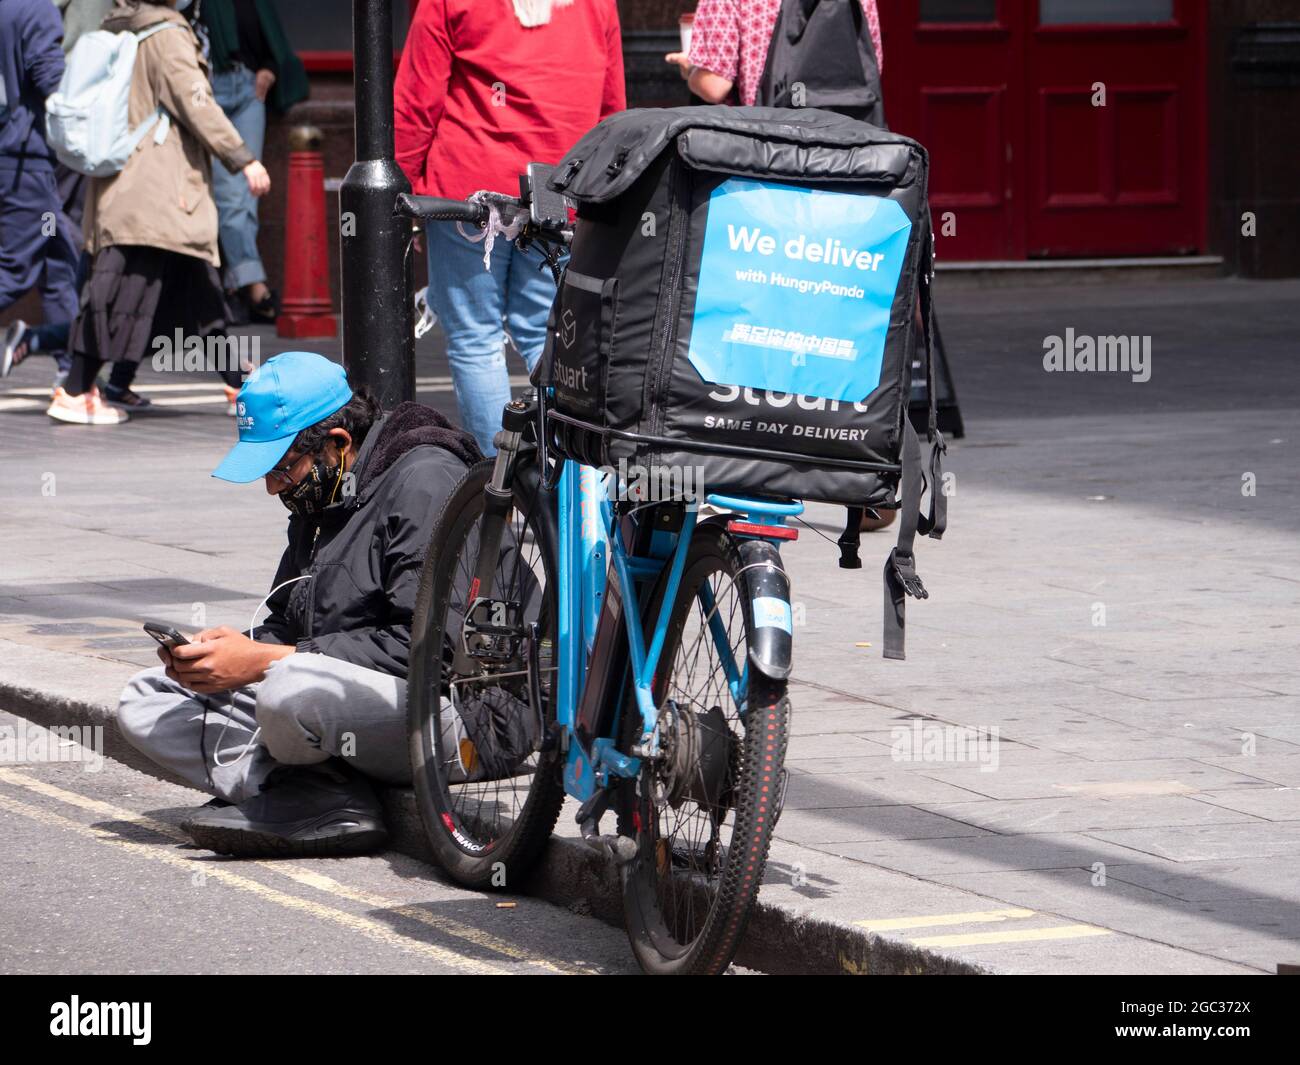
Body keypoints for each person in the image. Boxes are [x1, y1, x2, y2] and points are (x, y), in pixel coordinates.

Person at [117, 351, 482, 857]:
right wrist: (231, 651)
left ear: (337, 443)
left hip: (459, 719)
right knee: (147, 697)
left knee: (289, 689)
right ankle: (313, 792)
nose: (272, 489)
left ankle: (311, 791)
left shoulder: (425, 481)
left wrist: (265, 661)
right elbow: (290, 621)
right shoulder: (322, 491)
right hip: (339, 703)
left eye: (281, 471)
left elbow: (428, 651)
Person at [393, 0, 625, 455]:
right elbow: (611, 102)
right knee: (551, 332)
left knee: (474, 338)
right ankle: (563, 474)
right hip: (560, 183)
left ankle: (503, 481)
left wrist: (405, 192)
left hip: (471, 186)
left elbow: (417, 101)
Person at [51, 0, 271, 425]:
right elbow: (198, 105)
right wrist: (243, 158)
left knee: (200, 292)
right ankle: (75, 391)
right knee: (119, 294)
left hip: (140, 190)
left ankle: (242, 385)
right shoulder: (166, 34)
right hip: (155, 192)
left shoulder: (123, 26)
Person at [200, 0, 306, 323]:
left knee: (248, 194)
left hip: (248, 91)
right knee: (230, 195)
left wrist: (269, 70)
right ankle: (255, 287)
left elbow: (272, 43)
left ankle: (235, 289)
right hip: (207, 91)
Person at [0, 0, 80, 384]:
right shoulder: (37, 10)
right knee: (17, 268)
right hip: (25, 164)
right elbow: (52, 80)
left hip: (17, 161)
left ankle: (71, 369)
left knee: (56, 256)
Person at [666, 0, 883, 107]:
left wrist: (691, 70)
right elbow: (873, 65)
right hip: (846, 148)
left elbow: (714, 86)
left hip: (770, 151)